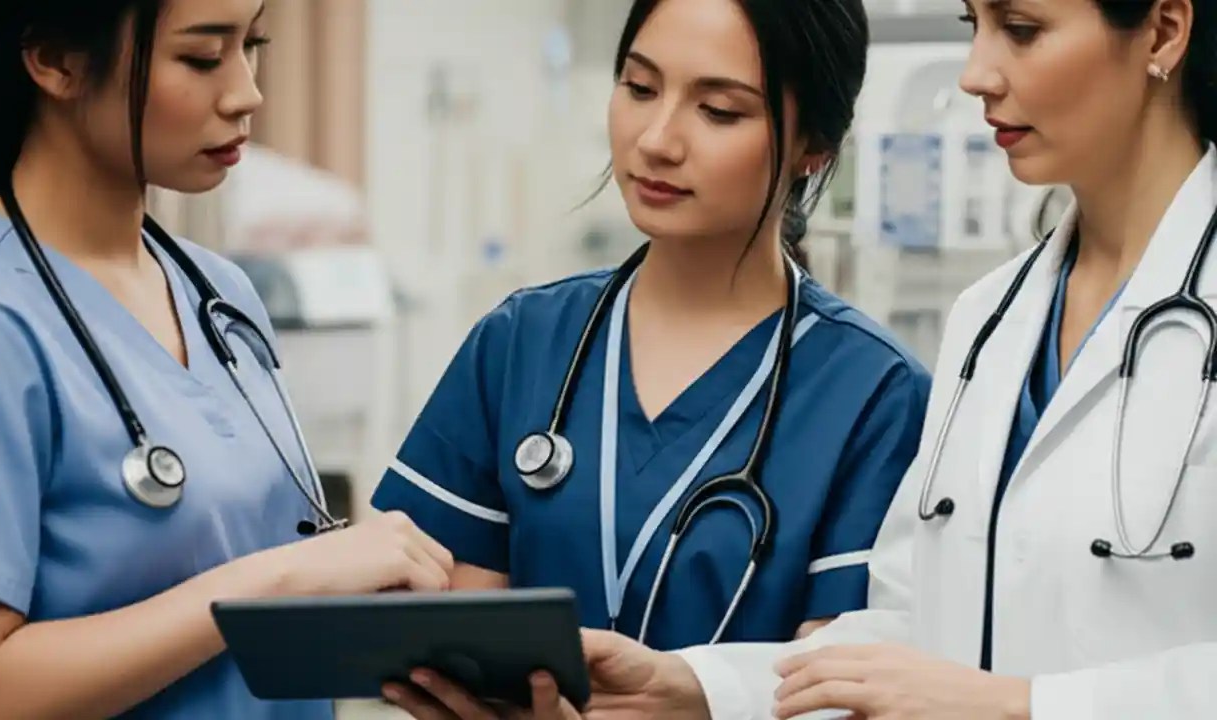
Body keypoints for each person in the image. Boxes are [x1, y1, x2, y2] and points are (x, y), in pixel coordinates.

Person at [413, 0, 1217, 718]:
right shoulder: (991, 322)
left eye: (1023, 29)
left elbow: (962, 690)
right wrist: (699, 689)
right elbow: (901, 629)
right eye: (975, 25)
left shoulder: (874, 385)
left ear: (1164, 29)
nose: (975, 73)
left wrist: (1021, 707)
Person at [374, 0, 932, 715]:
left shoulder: (874, 396)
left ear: (814, 145)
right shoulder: (521, 343)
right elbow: (446, 633)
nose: (657, 139)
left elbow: (843, 682)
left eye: (719, 111)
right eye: (639, 89)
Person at [0, 2, 455, 718]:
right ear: (56, 62)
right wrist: (281, 579)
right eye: (203, 58)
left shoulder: (222, 294)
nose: (247, 92)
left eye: (254, 45)